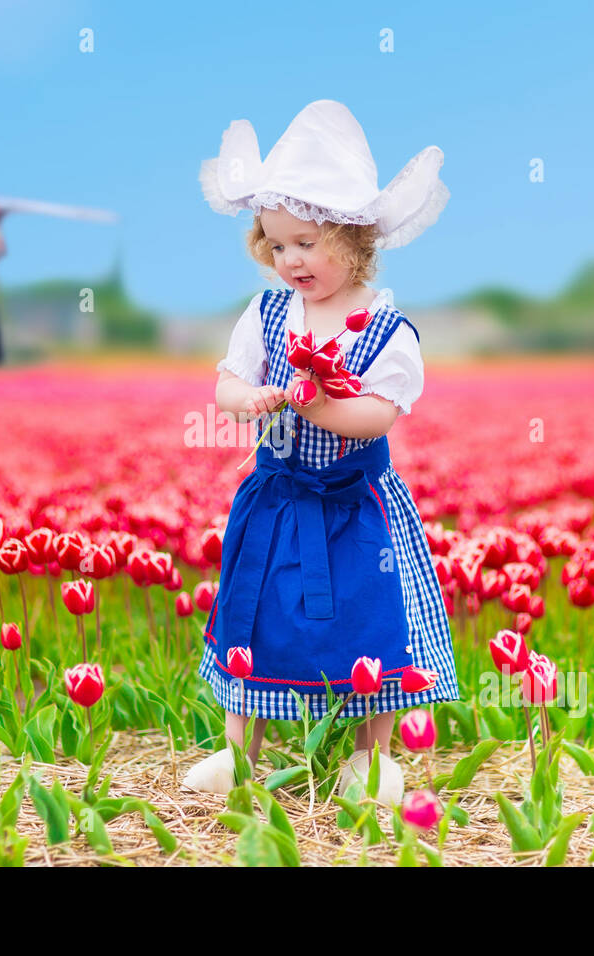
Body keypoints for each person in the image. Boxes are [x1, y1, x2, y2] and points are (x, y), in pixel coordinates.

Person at [185, 100, 460, 806]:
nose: (290, 260)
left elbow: (377, 416)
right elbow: (227, 379)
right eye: (277, 245)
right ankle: (240, 751)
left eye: (305, 242)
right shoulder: (268, 313)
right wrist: (245, 399)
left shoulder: (386, 328)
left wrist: (321, 406)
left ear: (353, 238)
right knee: (253, 616)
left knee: (372, 619)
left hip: (353, 506)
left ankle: (370, 759)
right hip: (275, 499)